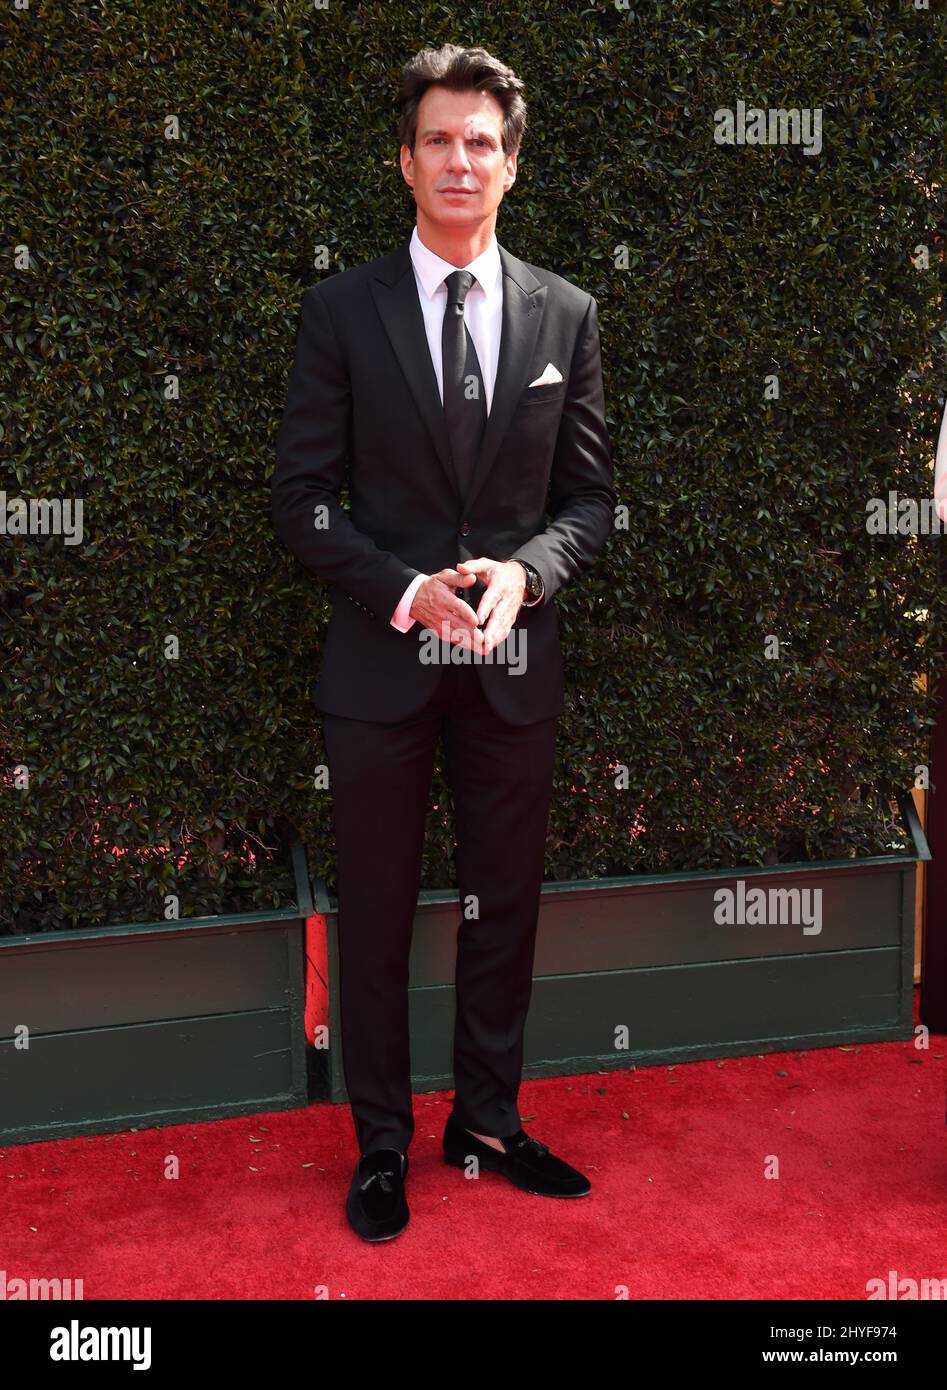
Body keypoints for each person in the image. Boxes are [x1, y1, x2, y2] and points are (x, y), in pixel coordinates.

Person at [271, 42, 615, 1241]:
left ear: (510, 166)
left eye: (482, 141)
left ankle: (486, 1120)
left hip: (513, 674)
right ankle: (380, 1144)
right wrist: (406, 591)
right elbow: (302, 499)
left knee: (502, 903)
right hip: (380, 667)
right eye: (438, 139)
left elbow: (589, 504)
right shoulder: (337, 311)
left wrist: (525, 572)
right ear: (403, 160)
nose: (459, 159)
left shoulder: (565, 312)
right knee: (371, 908)